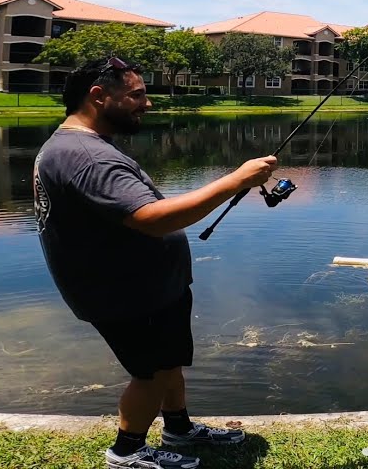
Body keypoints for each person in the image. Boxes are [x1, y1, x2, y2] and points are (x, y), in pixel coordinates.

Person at [33, 57, 278, 469]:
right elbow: (152, 218)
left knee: (168, 362)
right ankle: (126, 450)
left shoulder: (75, 146)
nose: (147, 104)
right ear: (99, 96)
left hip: (149, 286)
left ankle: (178, 428)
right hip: (126, 293)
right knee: (150, 374)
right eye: (137, 95)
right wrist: (235, 180)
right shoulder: (87, 156)